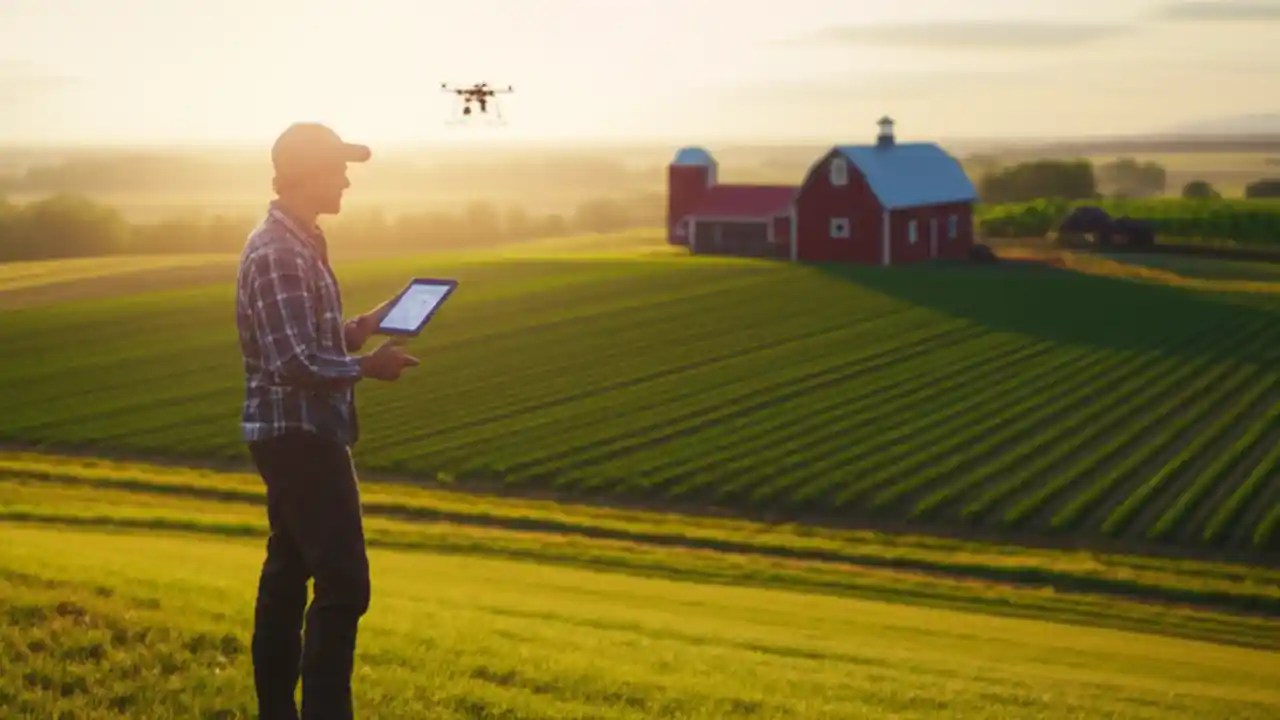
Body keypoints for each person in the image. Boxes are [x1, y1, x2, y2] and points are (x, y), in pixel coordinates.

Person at [235, 121, 419, 719]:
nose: (344, 180)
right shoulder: (279, 253)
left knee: (289, 576)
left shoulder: (300, 242)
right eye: (337, 169)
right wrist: (369, 367)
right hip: (301, 438)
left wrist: (361, 326)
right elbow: (291, 361)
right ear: (305, 174)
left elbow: (306, 341)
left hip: (299, 433)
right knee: (344, 583)